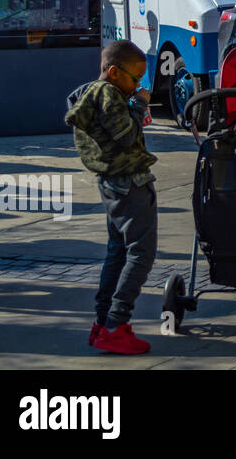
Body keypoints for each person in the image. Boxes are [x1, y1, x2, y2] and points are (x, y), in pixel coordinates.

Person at [65, 39, 157, 355]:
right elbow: (126, 135)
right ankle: (116, 325)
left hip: (112, 184)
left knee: (117, 252)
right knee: (141, 253)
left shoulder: (92, 93)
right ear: (114, 72)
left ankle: (102, 322)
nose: (139, 86)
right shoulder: (109, 95)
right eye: (135, 79)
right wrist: (140, 104)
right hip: (129, 183)